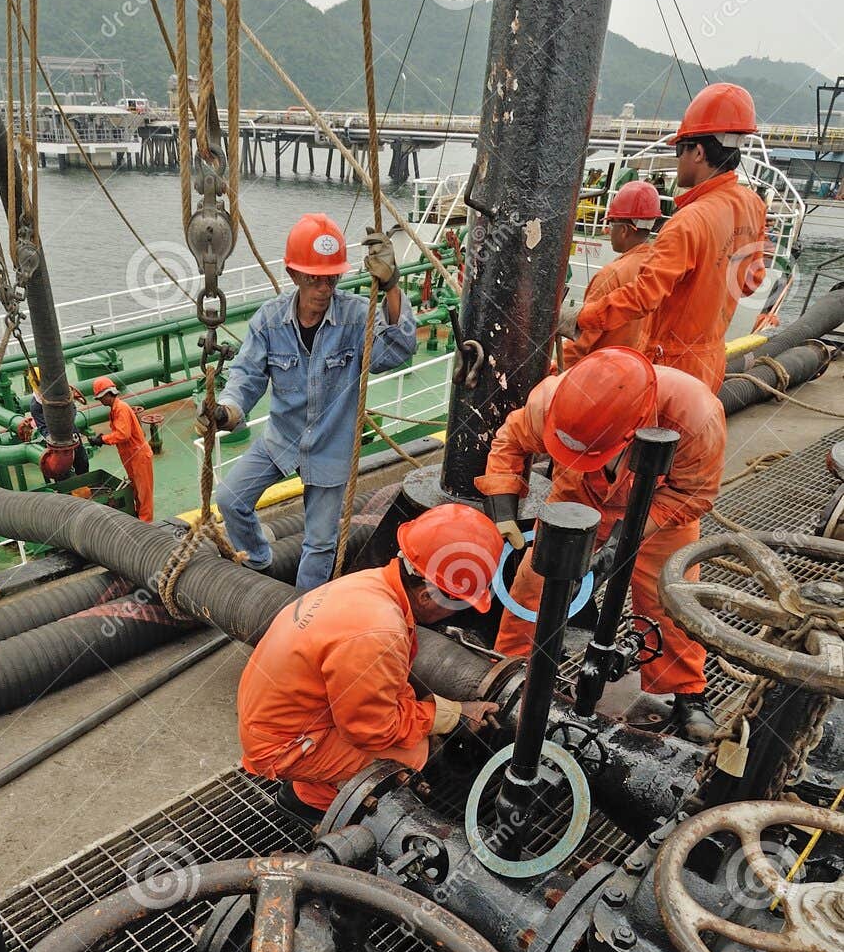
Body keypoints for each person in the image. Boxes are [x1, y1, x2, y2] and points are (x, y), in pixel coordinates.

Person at [476, 347, 726, 743]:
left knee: (670, 600)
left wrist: (628, 535)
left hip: (660, 510)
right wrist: (503, 508)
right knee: (533, 586)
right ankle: (509, 671)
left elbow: (694, 494)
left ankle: (687, 693)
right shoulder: (549, 402)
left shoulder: (695, 415)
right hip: (579, 496)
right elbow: (510, 441)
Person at [237, 504, 503, 816]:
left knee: (411, 731)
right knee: (414, 753)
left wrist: (450, 711)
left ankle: (316, 781)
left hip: (288, 720)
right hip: (285, 746)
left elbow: (385, 692)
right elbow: (372, 729)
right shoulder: (380, 632)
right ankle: (316, 803)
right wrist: (449, 718)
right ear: (427, 596)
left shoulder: (372, 583)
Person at [201, 213, 416, 592]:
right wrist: (226, 411)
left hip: (331, 449)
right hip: (282, 440)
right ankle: (260, 564)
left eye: (331, 278)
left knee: (319, 545)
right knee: (230, 499)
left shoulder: (354, 317)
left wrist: (392, 287)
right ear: (294, 275)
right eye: (314, 278)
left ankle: (303, 614)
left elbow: (397, 349)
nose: (324, 287)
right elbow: (246, 378)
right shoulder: (269, 322)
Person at [561, 84, 767, 391]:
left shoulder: (688, 222)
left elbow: (644, 297)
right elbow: (751, 281)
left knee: (656, 437)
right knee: (690, 435)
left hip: (671, 365)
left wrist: (580, 318)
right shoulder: (753, 205)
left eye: (678, 150)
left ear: (697, 152)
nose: (677, 160)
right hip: (710, 360)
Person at [560, 180, 661, 369]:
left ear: (623, 230)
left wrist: (552, 372)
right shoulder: (659, 267)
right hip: (637, 372)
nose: (607, 230)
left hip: (600, 375)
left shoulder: (611, 276)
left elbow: (583, 340)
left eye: (611, 224)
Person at [92, 376, 154, 520]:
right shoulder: (114, 410)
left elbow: (123, 435)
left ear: (108, 395)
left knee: (144, 494)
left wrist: (102, 439)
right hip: (131, 457)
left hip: (138, 456)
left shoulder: (121, 409)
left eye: (100, 398)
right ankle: (140, 520)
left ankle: (146, 525)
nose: (100, 401)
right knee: (137, 491)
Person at [27, 368, 90, 475]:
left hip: (72, 432)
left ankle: (84, 480)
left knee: (82, 460)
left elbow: (72, 409)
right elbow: (43, 428)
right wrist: (54, 437)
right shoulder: (36, 406)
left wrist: (66, 422)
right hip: (56, 442)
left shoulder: (60, 393)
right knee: (61, 469)